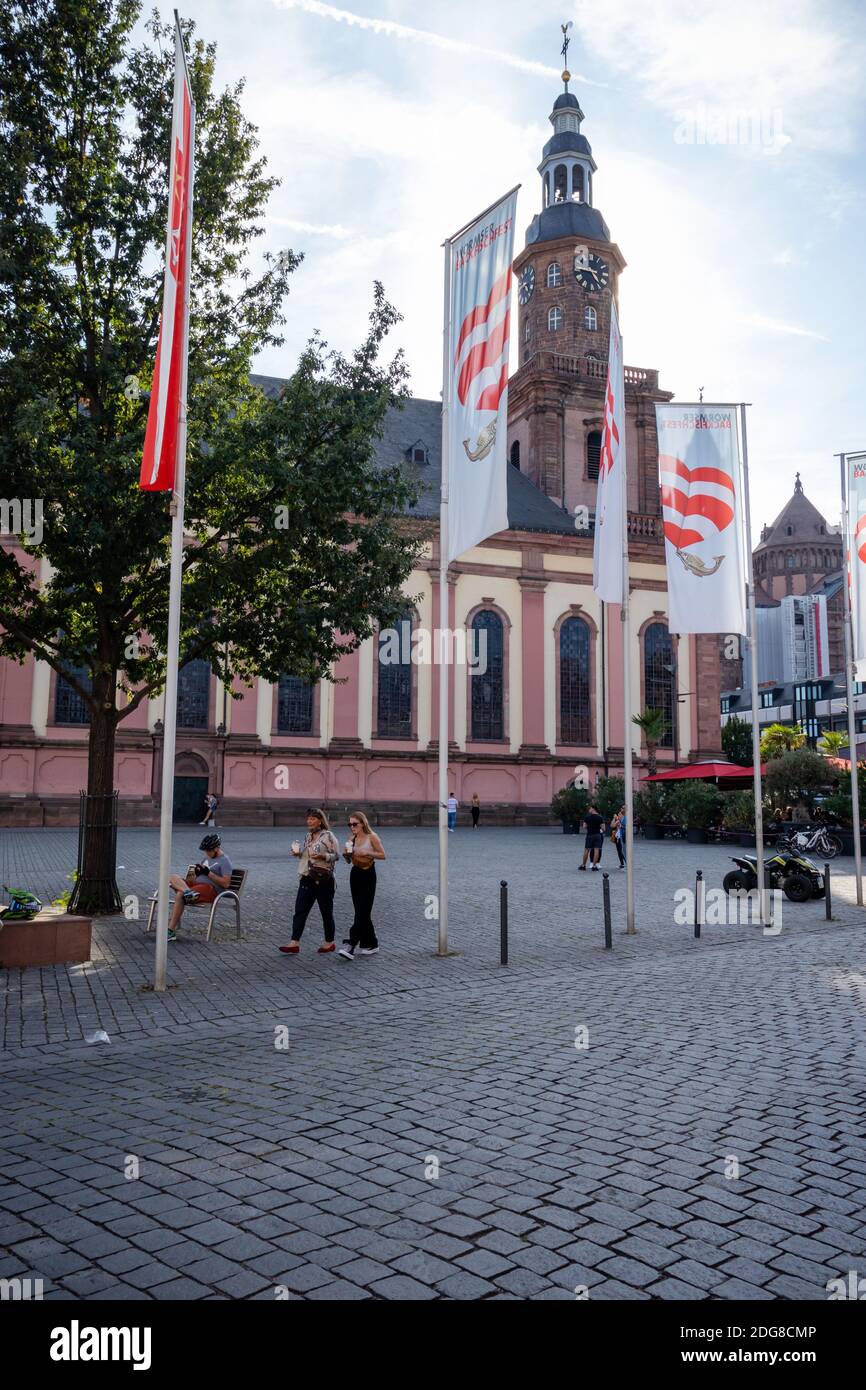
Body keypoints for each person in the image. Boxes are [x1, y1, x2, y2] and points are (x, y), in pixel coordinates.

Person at [279, 808, 340, 955]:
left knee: (326, 912)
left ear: (320, 820)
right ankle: (294, 943)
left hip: (323, 879)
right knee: (300, 910)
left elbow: (336, 856)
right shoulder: (308, 836)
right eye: (308, 819)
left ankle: (329, 942)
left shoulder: (329, 836)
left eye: (312, 819)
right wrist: (299, 853)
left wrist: (323, 856)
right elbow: (308, 855)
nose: (309, 821)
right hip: (307, 877)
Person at [338, 812, 387, 961]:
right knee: (361, 910)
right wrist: (347, 855)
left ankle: (351, 945)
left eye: (354, 824)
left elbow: (383, 855)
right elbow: (348, 860)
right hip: (355, 874)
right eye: (350, 824)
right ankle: (372, 943)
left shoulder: (372, 837)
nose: (352, 827)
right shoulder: (351, 839)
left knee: (362, 910)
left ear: (362, 824)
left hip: (368, 874)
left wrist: (367, 852)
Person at [166, 833, 232, 941]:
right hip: (196, 886)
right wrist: (196, 873)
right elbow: (196, 877)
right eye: (205, 850)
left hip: (210, 889)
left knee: (180, 894)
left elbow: (226, 883)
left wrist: (208, 873)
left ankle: (170, 931)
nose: (206, 853)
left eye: (208, 850)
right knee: (172, 877)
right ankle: (188, 891)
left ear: (216, 848)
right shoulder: (207, 857)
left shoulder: (225, 861)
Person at [578, 803, 606, 871]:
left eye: (590, 808)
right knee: (597, 850)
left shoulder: (587, 817)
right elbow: (603, 829)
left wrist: (589, 826)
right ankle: (594, 866)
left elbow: (584, 826)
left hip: (590, 835)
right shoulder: (600, 817)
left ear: (593, 809)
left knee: (587, 849)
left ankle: (583, 865)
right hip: (597, 835)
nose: (589, 810)